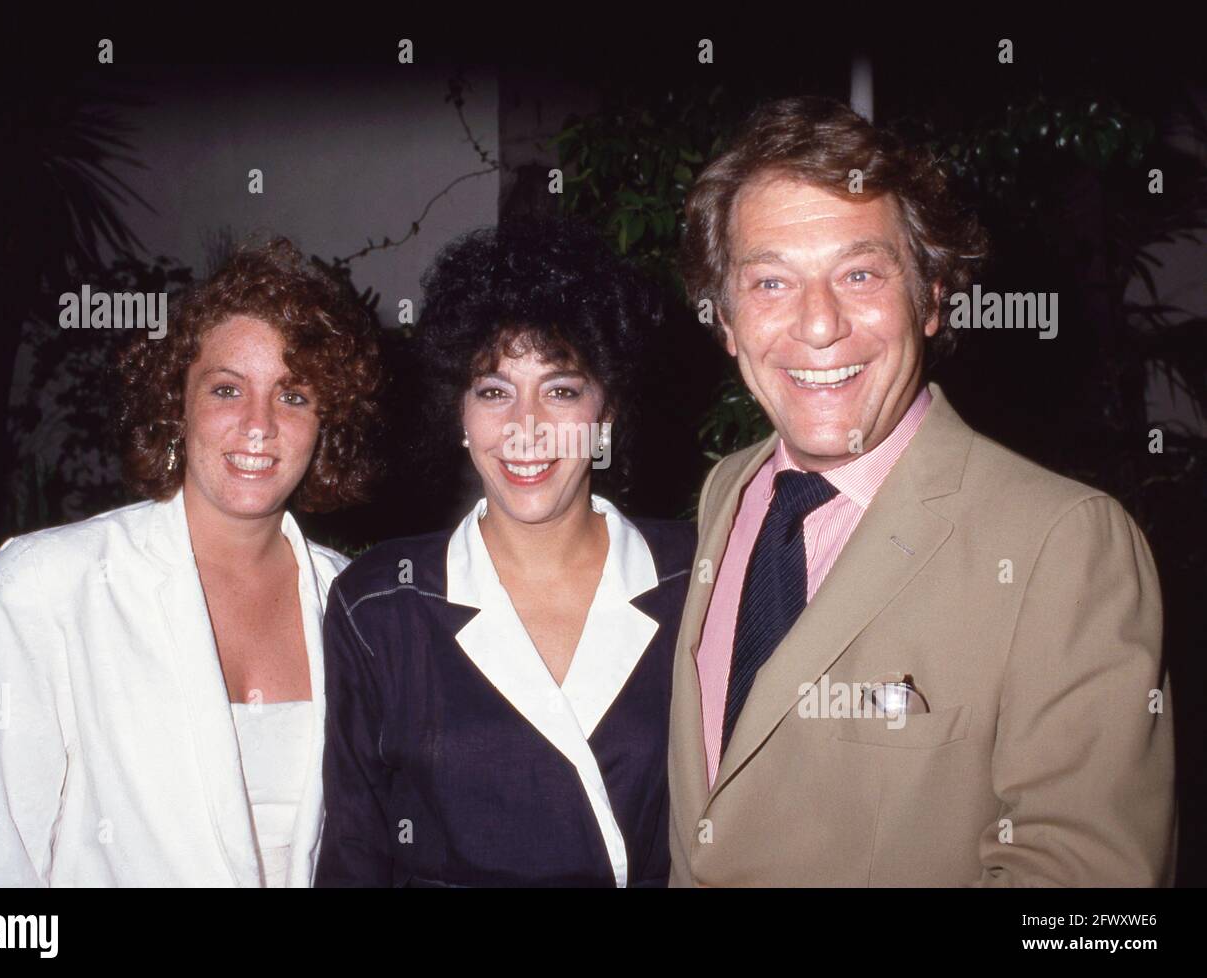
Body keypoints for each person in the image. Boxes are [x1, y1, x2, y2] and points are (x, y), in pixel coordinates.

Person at [667, 96, 1176, 886]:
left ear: (933, 297)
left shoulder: (1064, 546)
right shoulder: (725, 495)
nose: (819, 324)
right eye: (770, 282)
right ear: (726, 319)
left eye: (861, 273)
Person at [0, 237, 382, 886]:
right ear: (176, 404)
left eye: (293, 396)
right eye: (228, 390)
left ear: (328, 420)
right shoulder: (47, 587)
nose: (258, 425)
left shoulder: (354, 602)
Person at [317, 217, 695, 887]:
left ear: (605, 414)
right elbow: (353, 850)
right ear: (460, 414)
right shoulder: (381, 605)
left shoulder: (696, 579)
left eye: (561, 390)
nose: (526, 428)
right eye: (494, 392)